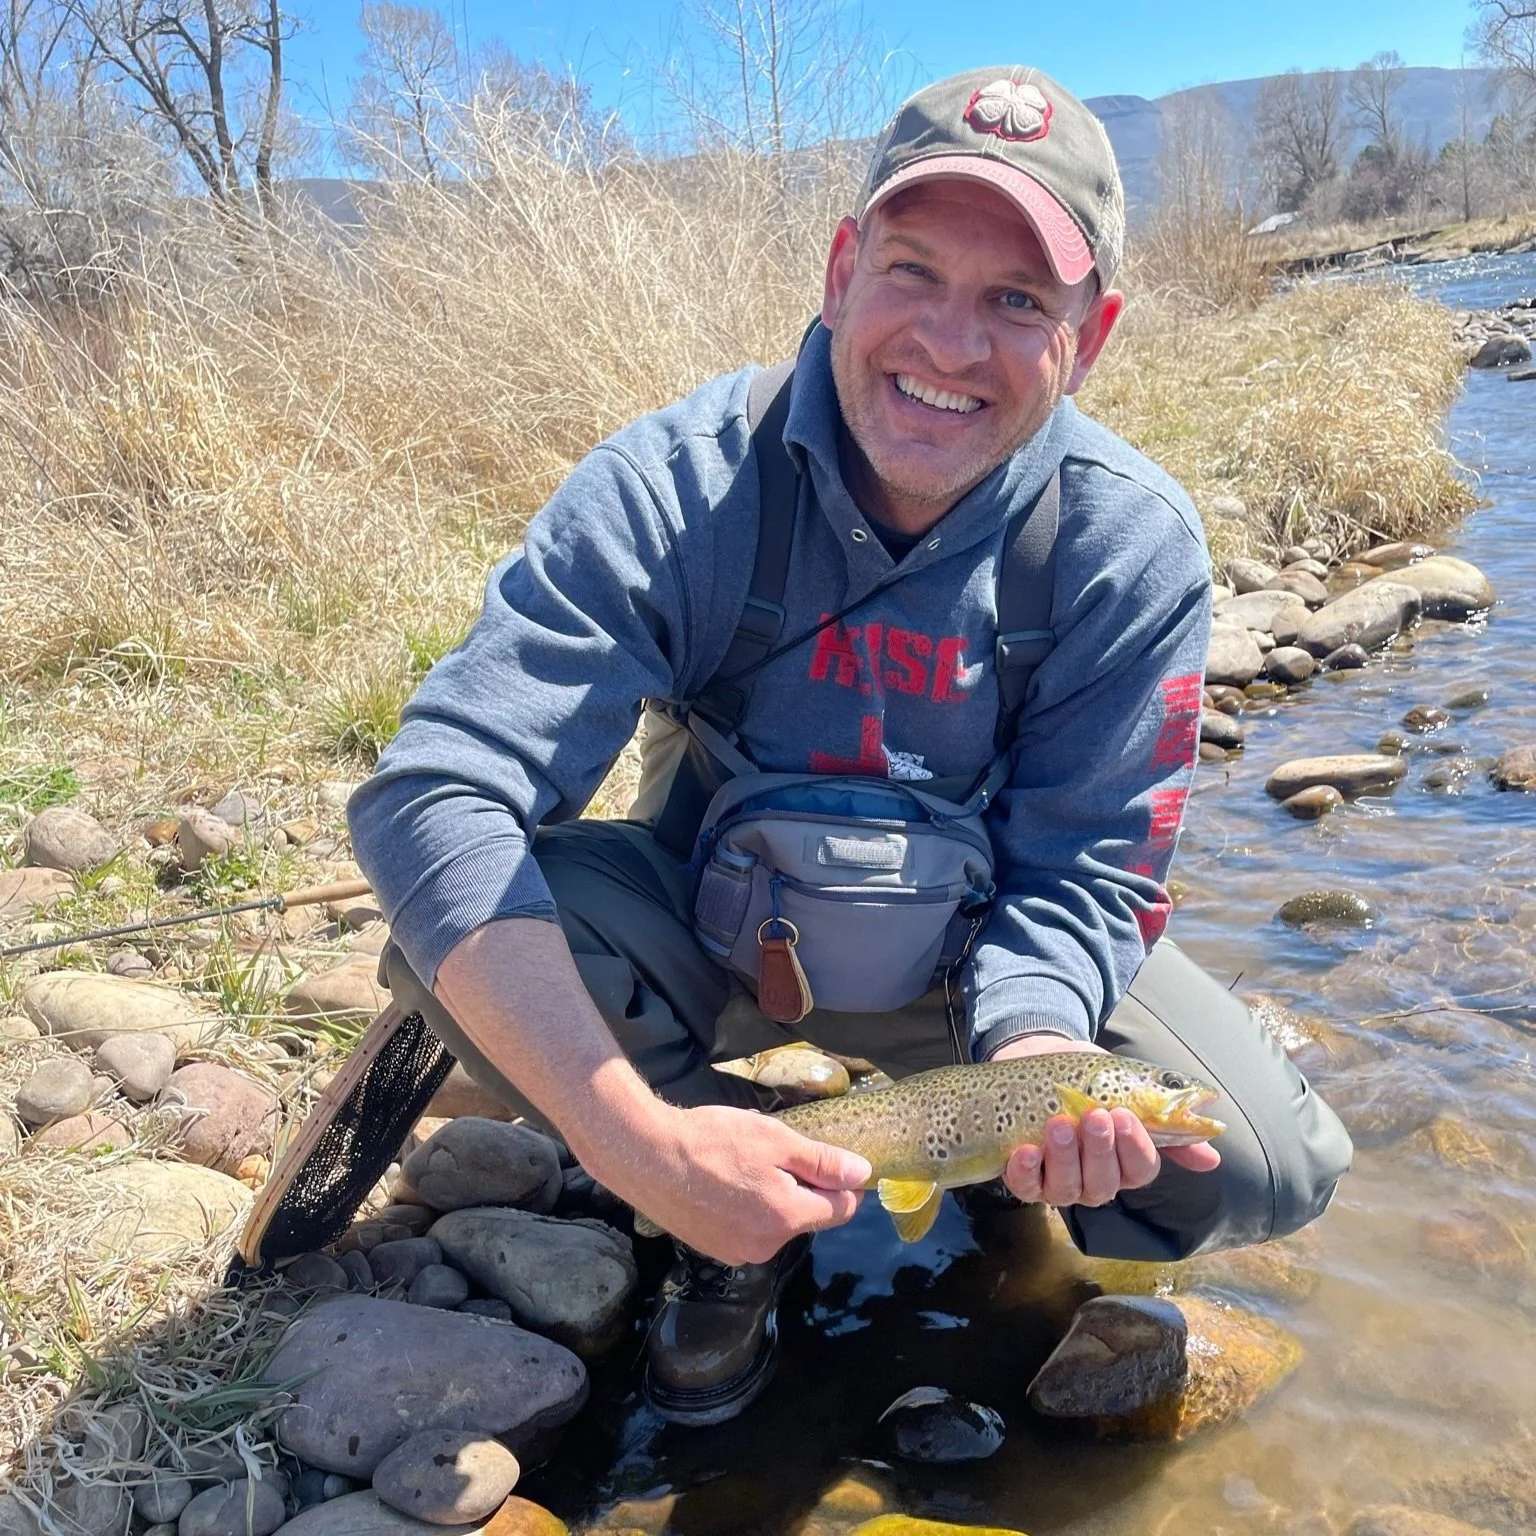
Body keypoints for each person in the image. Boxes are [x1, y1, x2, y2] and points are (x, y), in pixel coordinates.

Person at [349, 66, 1352, 1427]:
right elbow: (436, 794)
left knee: (1259, 1161)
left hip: (968, 981)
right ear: (839, 269)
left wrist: (1034, 1061)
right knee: (443, 936)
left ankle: (989, 1180)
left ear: (1092, 333)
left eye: (1017, 300)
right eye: (913, 269)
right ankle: (718, 1199)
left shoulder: (1125, 545)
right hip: (719, 946)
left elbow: (1086, 873)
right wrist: (628, 1144)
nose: (948, 344)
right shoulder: (681, 482)